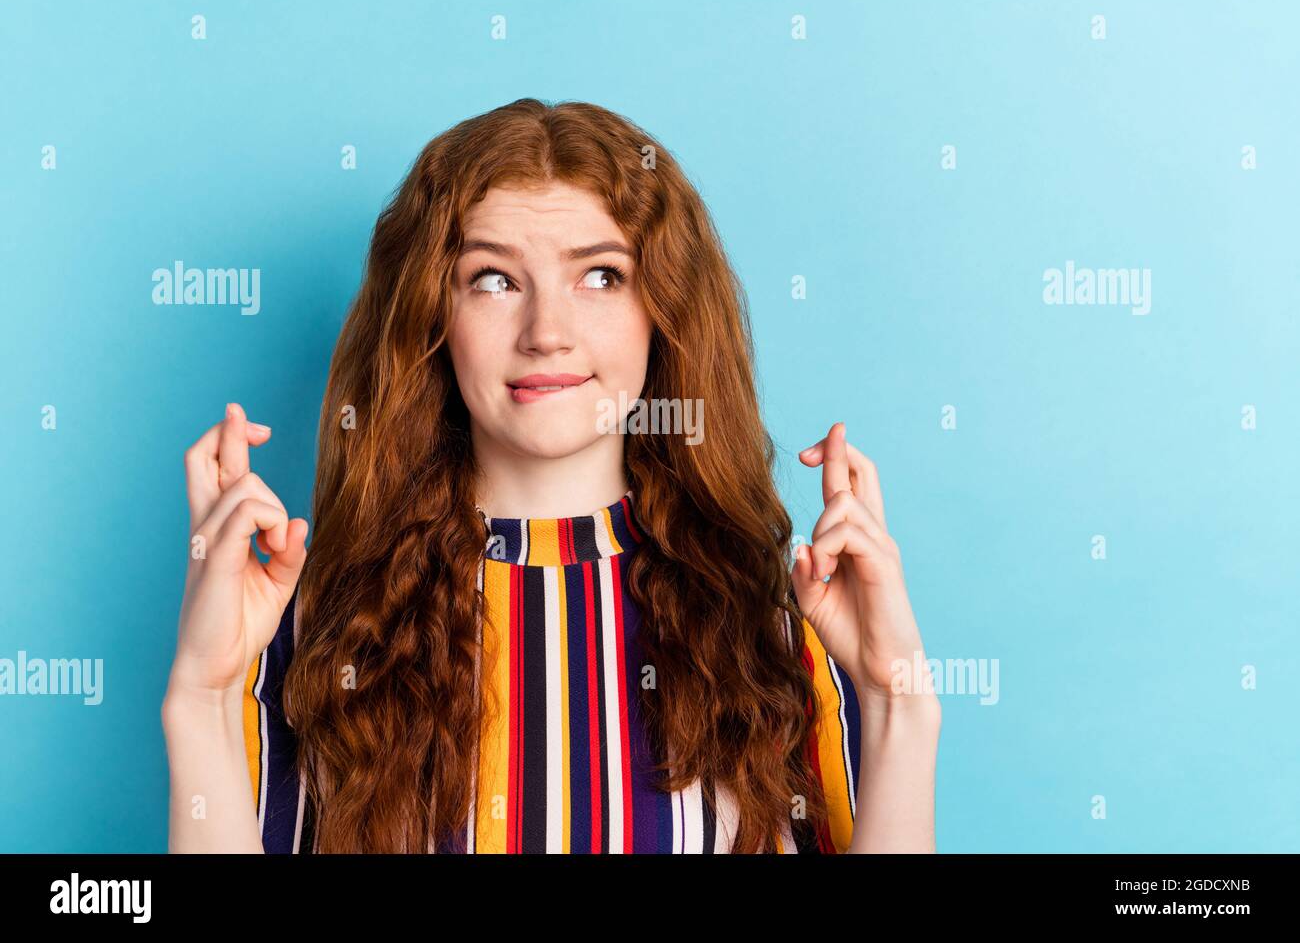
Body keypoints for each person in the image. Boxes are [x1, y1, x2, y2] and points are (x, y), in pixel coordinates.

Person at [161, 98, 940, 854]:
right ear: (434, 321)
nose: (547, 333)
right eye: (494, 279)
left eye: (600, 276)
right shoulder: (313, 632)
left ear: (662, 310)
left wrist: (900, 702)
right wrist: (200, 698)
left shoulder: (783, 632)